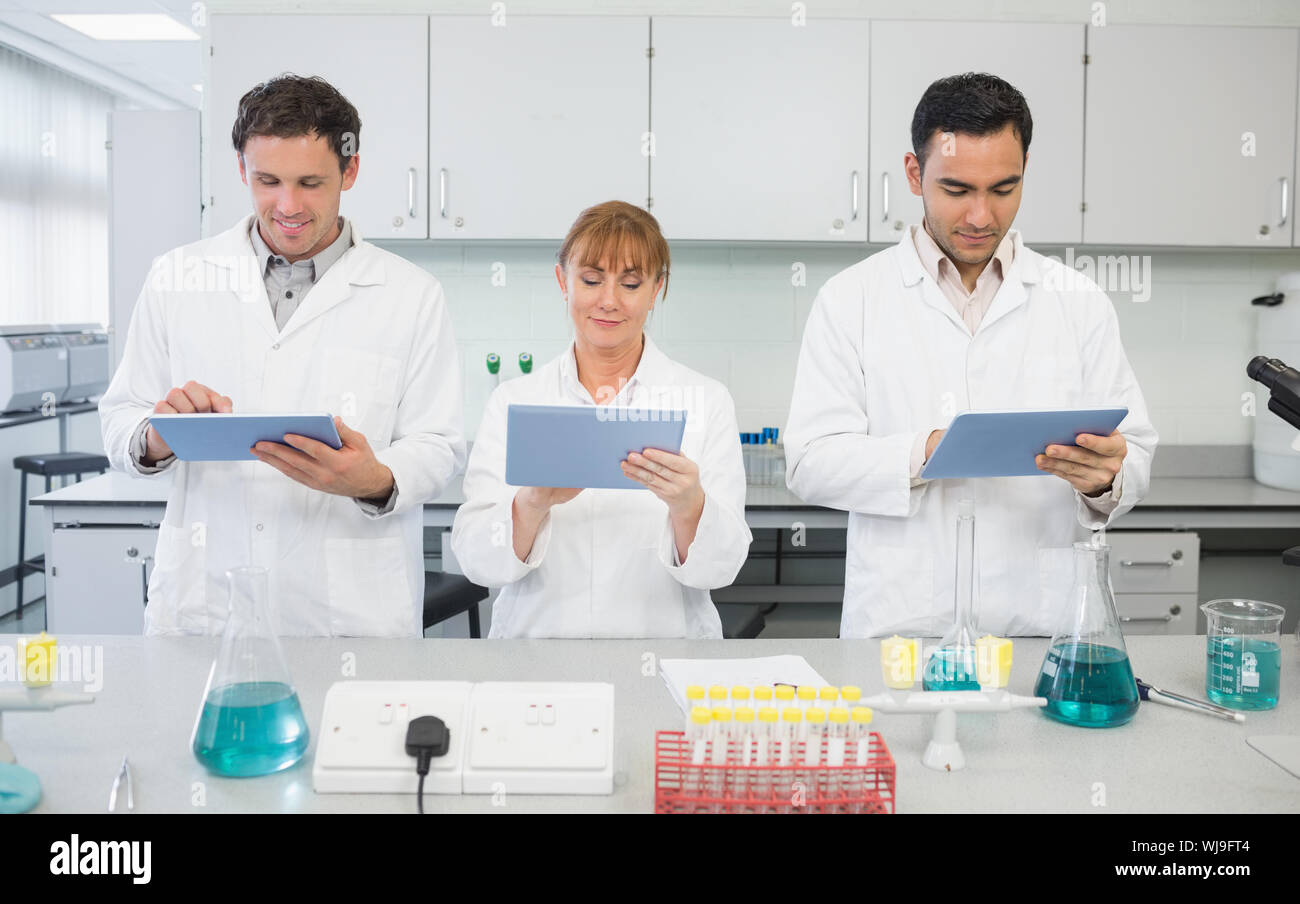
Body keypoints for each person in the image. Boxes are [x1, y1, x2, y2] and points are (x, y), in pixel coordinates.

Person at [784, 72, 1157, 638]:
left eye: (1003, 189)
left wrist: (1104, 479)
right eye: (957, 190)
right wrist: (927, 452)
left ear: (1025, 171)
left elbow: (1136, 454)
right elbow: (810, 463)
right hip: (901, 632)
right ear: (915, 173)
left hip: (1037, 626)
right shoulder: (850, 300)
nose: (981, 216)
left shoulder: (1079, 302)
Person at [99, 74, 466, 637]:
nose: (287, 206)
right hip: (207, 606)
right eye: (267, 181)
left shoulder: (411, 294)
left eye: (310, 183)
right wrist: (158, 435)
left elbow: (439, 445)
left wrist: (375, 477)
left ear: (350, 170)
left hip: (347, 618)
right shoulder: (177, 277)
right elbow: (121, 418)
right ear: (242, 169)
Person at [451, 201, 751, 637]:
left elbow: (722, 568)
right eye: (591, 280)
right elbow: (477, 559)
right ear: (563, 281)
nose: (608, 301)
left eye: (630, 284)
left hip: (666, 653)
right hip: (538, 660)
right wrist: (531, 504)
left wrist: (690, 506)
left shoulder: (706, 401)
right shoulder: (514, 401)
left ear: (656, 290)